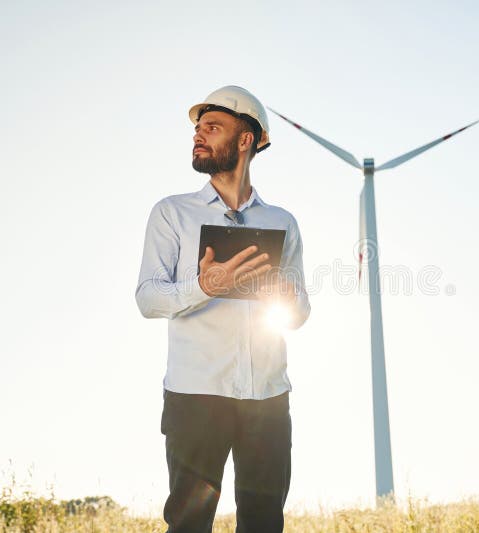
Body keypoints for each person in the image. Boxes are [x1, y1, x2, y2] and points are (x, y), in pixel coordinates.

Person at [135, 85, 310, 533]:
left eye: (212, 127)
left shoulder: (282, 222)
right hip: (195, 396)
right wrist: (204, 286)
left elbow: (298, 313)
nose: (199, 135)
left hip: (268, 399)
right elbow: (148, 298)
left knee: (264, 524)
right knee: (189, 525)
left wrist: (285, 297)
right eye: (198, 129)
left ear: (245, 140)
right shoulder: (172, 213)